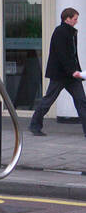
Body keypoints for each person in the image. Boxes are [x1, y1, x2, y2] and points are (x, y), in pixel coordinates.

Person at [28, 7, 86, 136]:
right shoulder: (60, 32)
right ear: (67, 19)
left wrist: (76, 71)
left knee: (81, 100)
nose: (77, 21)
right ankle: (34, 125)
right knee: (48, 100)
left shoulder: (71, 32)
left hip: (70, 74)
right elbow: (62, 55)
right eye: (75, 19)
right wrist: (73, 71)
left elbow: (72, 55)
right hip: (60, 75)